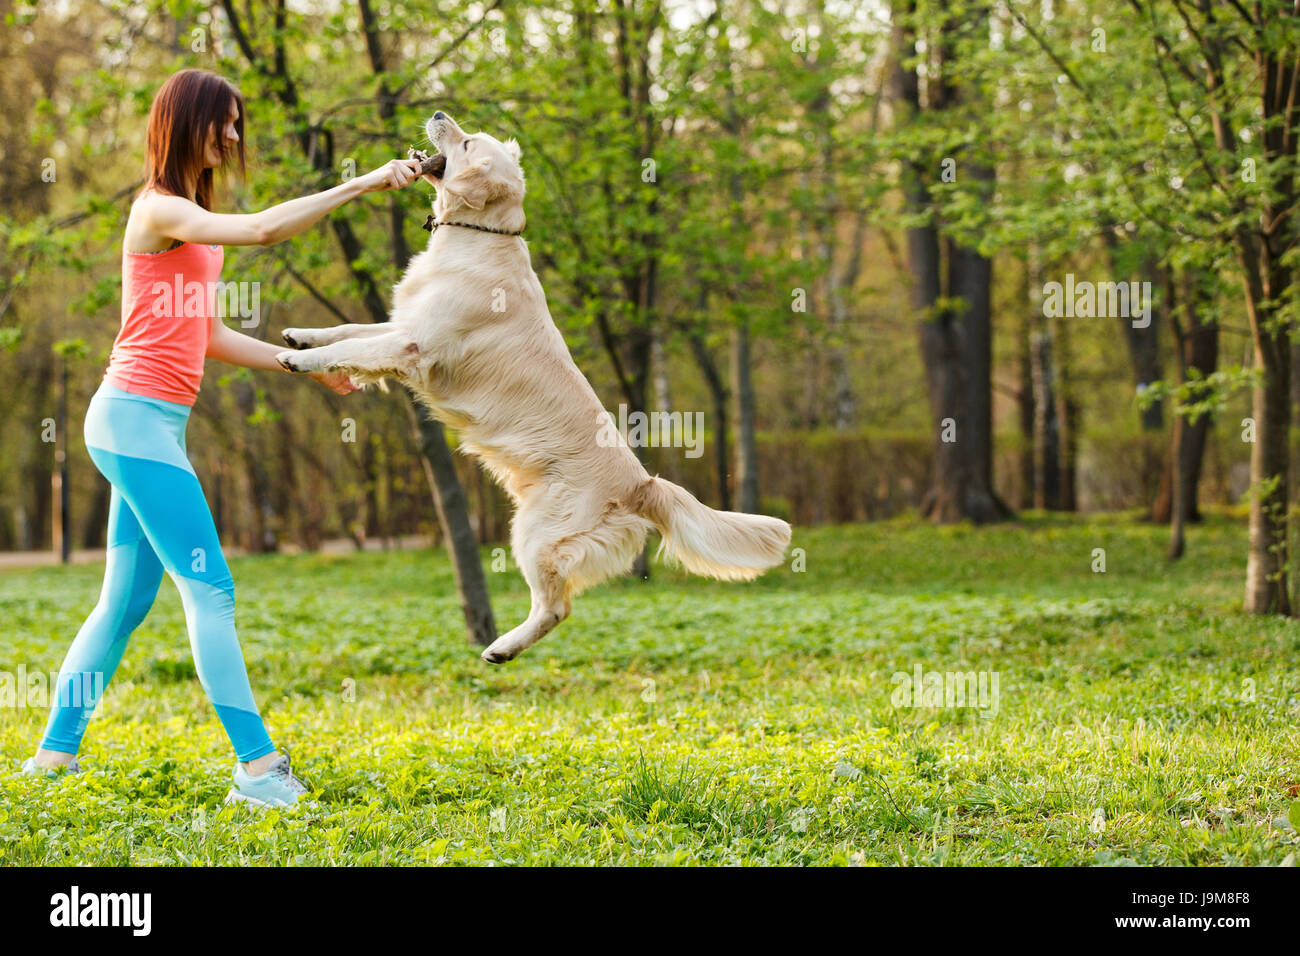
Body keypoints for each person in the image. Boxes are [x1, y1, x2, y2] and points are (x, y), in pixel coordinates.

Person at [23, 68, 422, 806]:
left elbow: (204, 334)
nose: (234, 137)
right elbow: (265, 228)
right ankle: (260, 770)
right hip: (132, 420)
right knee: (212, 590)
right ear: (186, 122)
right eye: (224, 123)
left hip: (146, 425)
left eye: (239, 124)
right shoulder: (158, 210)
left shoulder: (190, 224)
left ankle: (51, 759)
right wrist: (362, 183)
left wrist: (306, 364)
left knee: (124, 602)